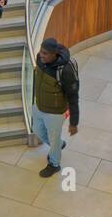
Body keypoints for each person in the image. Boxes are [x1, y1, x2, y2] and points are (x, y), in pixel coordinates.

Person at [29, 37, 81, 178]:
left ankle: (54, 164)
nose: (41, 55)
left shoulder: (66, 70)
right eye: (41, 51)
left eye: (46, 53)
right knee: (37, 130)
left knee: (53, 138)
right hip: (39, 105)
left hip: (55, 113)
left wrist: (74, 123)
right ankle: (58, 144)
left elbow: (73, 97)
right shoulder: (41, 60)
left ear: (55, 54)